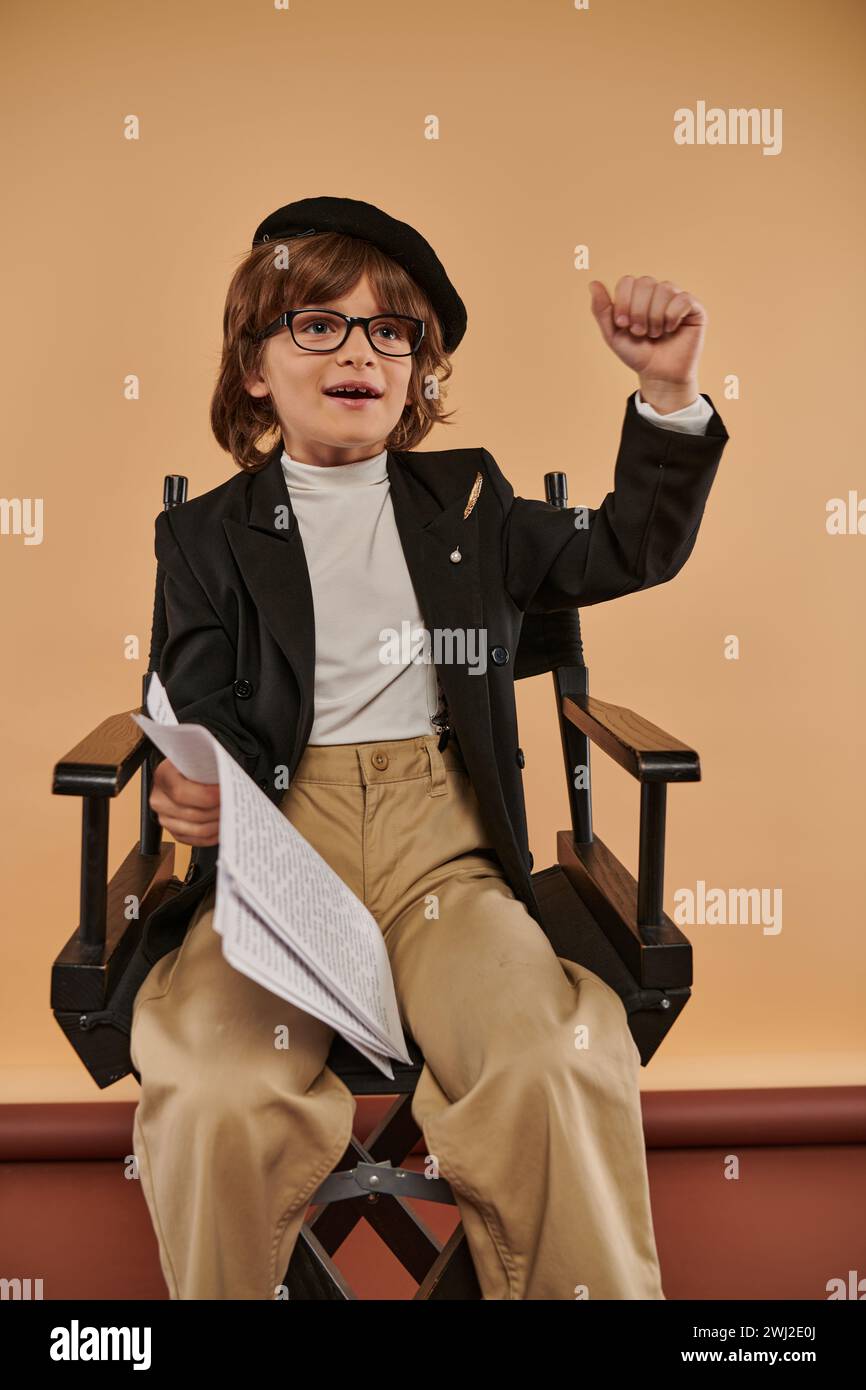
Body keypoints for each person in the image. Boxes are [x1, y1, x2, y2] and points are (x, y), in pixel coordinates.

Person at [131, 196, 730, 1300]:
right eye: (317, 323)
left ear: (416, 373)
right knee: (215, 1084)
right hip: (278, 857)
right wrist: (195, 780)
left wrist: (665, 394)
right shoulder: (205, 532)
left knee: (548, 1057)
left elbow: (629, 548)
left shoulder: (471, 502)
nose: (358, 348)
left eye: (389, 331)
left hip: (442, 855)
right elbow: (197, 689)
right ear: (254, 367)